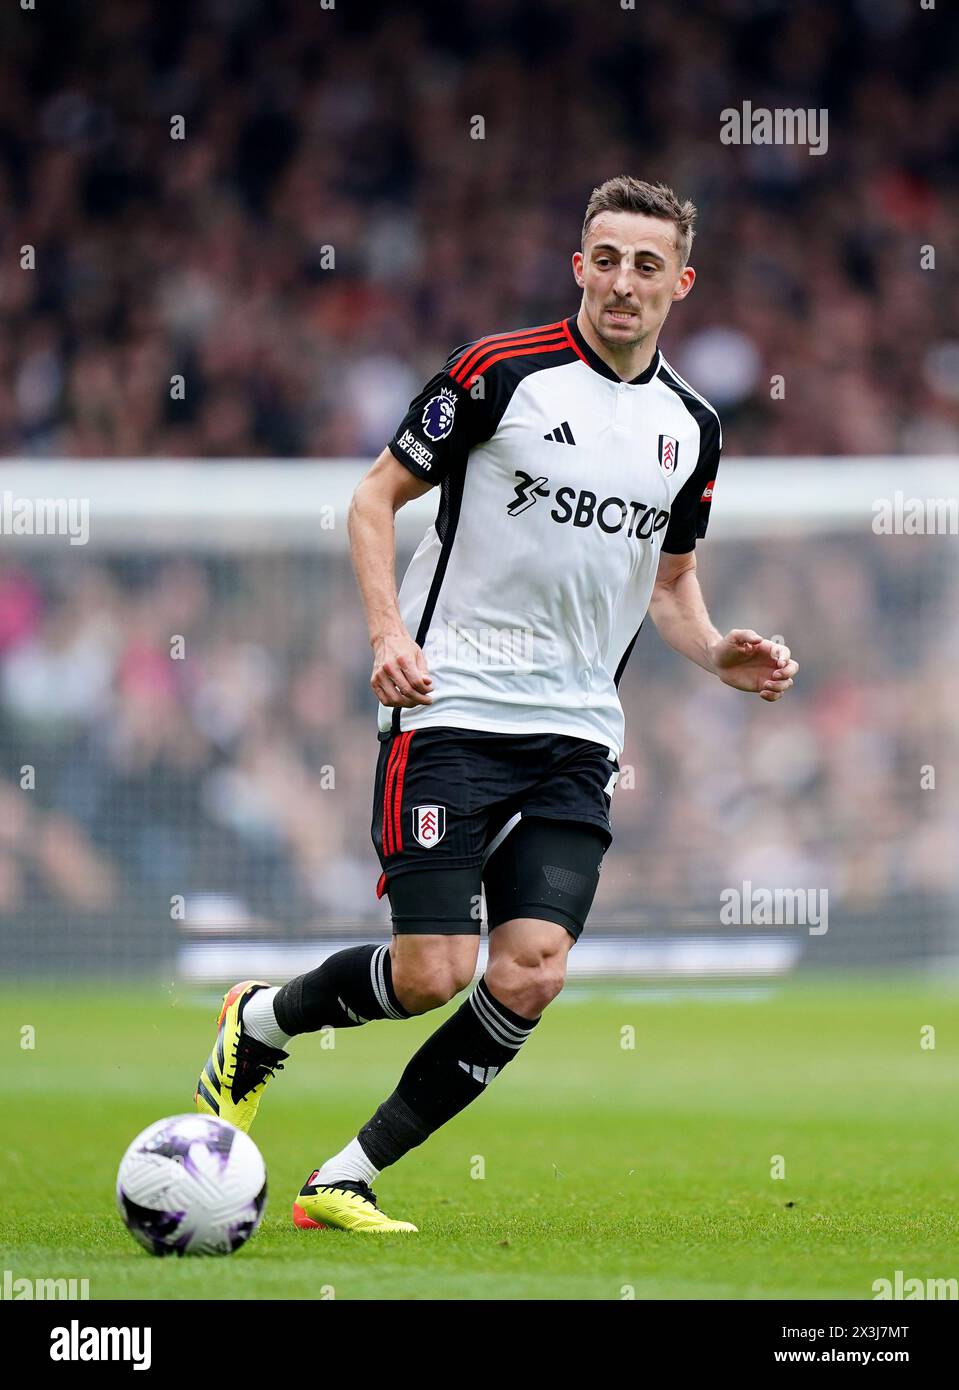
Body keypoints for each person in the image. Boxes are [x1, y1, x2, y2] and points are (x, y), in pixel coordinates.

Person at [194, 176, 799, 1233]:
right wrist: (388, 634)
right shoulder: (497, 373)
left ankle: (344, 1175)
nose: (622, 282)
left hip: (577, 734)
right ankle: (261, 1021)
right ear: (578, 267)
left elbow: (667, 583)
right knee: (434, 972)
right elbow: (372, 498)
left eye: (646, 264)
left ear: (681, 283)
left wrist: (715, 653)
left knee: (530, 973)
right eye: (605, 259)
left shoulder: (691, 427)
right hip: (453, 706)